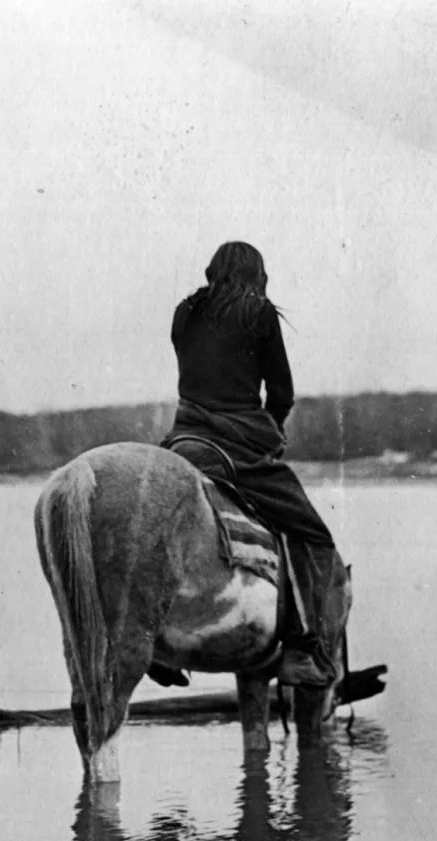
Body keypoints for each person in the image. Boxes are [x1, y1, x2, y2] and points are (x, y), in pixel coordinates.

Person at [160, 240, 341, 687]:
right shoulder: (258, 313)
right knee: (313, 535)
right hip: (235, 449)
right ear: (257, 275)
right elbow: (281, 395)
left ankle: (153, 644)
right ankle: (301, 648)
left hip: (181, 442)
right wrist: (272, 434)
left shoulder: (184, 313)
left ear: (211, 271)